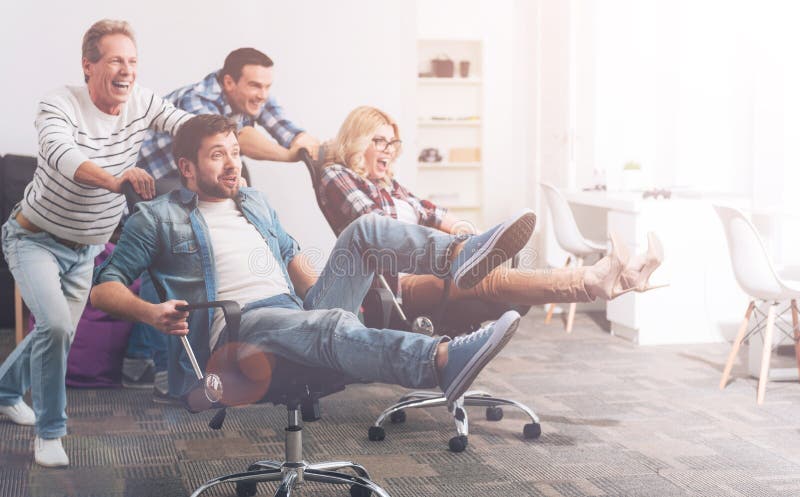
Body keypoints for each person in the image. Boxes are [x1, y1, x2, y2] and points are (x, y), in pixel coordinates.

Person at [91, 114, 537, 411]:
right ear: (186, 168)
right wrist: (151, 312)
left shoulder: (255, 201)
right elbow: (104, 287)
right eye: (217, 155)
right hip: (236, 326)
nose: (233, 164)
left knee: (364, 232)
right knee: (330, 328)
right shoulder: (157, 217)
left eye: (235, 152)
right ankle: (440, 359)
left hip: (291, 308)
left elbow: (291, 260)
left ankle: (461, 254)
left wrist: (331, 294)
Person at [0, 19, 191, 467]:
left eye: (132, 61)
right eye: (114, 61)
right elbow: (64, 156)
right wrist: (115, 179)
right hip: (35, 239)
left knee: (54, 331)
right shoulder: (59, 104)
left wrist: (220, 141)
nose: (126, 71)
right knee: (57, 327)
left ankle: (6, 391)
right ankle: (50, 433)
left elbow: (184, 124)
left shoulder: (140, 102)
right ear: (88, 66)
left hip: (86, 250)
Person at [318, 106, 664, 319]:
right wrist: (455, 249)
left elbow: (437, 213)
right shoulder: (338, 175)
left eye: (393, 144)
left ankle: (619, 279)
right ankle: (595, 279)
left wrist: (468, 237)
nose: (390, 152)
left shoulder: (392, 186)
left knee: (493, 275)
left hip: (435, 268)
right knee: (492, 279)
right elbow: (379, 229)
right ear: (359, 140)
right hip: (398, 284)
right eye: (380, 142)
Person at [123, 47, 320, 394]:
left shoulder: (254, 93)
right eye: (255, 86)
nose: (262, 94)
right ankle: (150, 361)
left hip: (202, 182)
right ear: (229, 81)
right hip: (161, 180)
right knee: (171, 255)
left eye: (267, 86)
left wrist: (303, 141)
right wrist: (289, 155)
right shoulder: (198, 98)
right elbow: (236, 140)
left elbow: (283, 126)